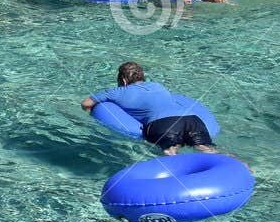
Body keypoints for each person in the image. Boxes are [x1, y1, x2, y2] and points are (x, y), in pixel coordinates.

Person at [81, 62, 219, 155]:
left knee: (171, 152)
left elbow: (86, 103)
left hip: (163, 124)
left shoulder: (117, 92)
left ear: (123, 80)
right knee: (205, 149)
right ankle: (238, 163)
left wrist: (91, 115)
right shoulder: (158, 86)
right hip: (191, 119)